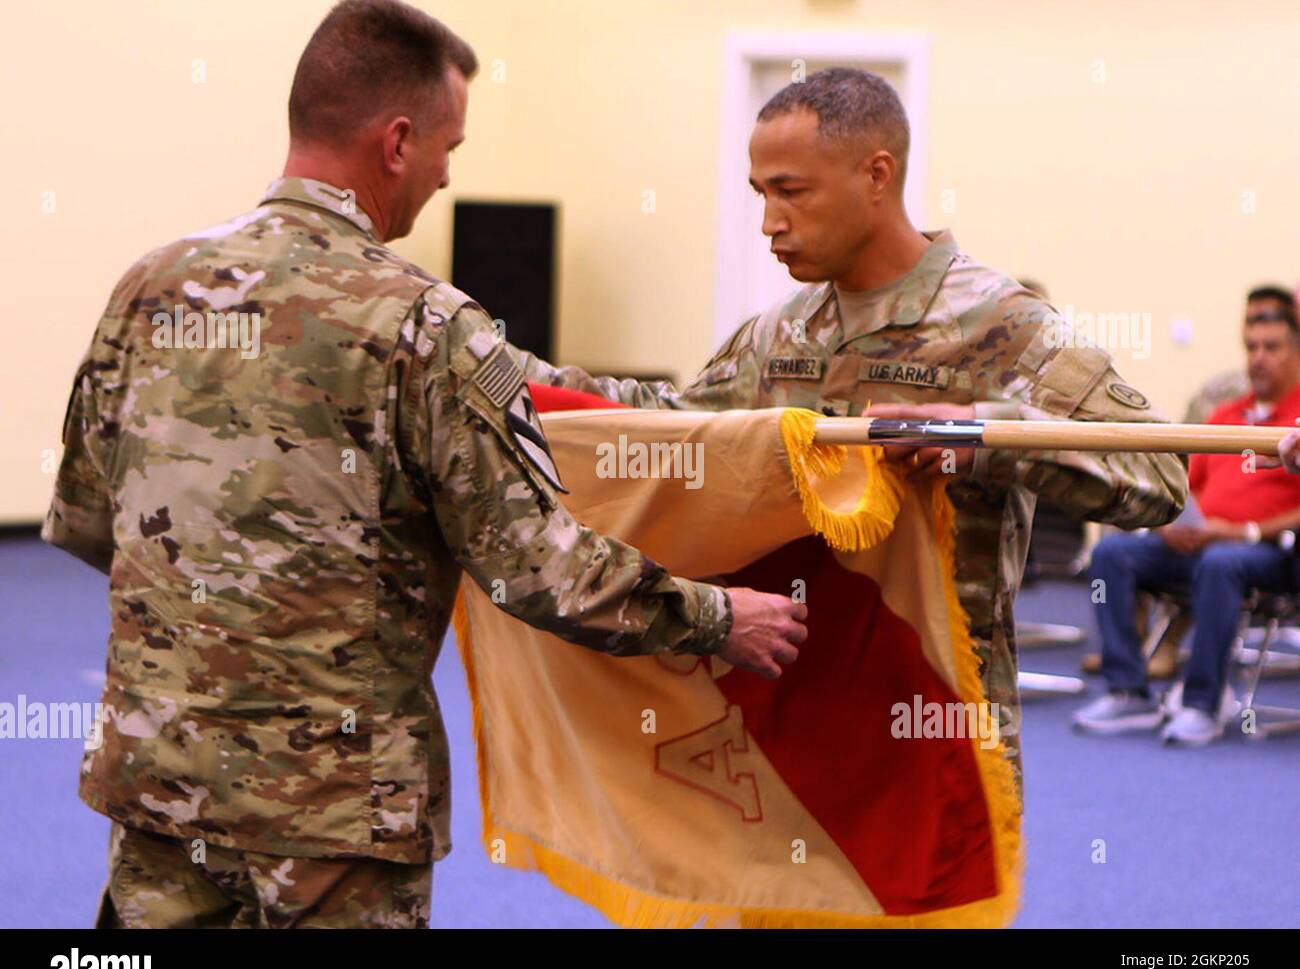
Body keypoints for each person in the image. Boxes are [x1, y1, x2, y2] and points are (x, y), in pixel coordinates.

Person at [41, 0, 806, 929]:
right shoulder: (426, 325)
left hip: (156, 784)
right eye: (450, 145)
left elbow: (88, 520)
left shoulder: (147, 287)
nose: (448, 175)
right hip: (330, 814)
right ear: (397, 142)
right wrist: (715, 616)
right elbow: (539, 568)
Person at [515, 68, 1187, 786]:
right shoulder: (781, 333)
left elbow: (1158, 475)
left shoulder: (1003, 325)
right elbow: (675, 430)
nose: (770, 221)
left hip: (936, 724)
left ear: (876, 175)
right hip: (794, 714)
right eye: (761, 194)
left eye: (791, 191)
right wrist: (518, 378)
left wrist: (983, 437)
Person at [1075, 288, 1300, 745]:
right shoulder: (1223, 416)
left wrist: (1241, 532)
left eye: (1272, 347)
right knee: (1113, 554)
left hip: (1269, 552)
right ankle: (1127, 691)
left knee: (1222, 563)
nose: (1258, 359)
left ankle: (1201, 702)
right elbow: (1181, 489)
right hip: (1200, 544)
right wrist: (1166, 524)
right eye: (1251, 347)